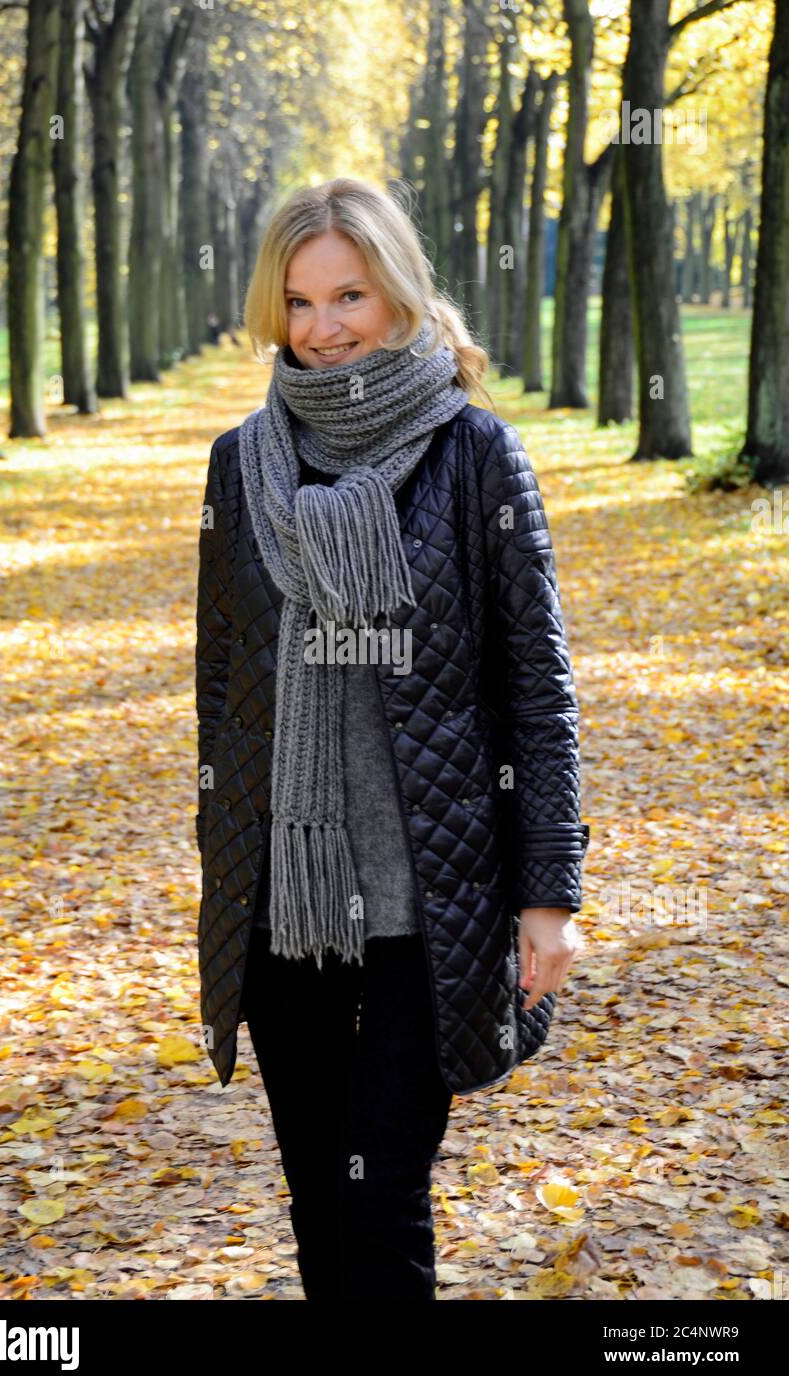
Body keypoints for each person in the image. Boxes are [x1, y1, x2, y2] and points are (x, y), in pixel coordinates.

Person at [195, 176, 590, 1301]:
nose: (323, 328)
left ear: (399, 291)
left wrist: (548, 891)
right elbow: (220, 682)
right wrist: (218, 855)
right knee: (320, 1197)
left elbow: (536, 689)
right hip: (286, 900)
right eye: (301, 302)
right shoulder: (243, 464)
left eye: (350, 295)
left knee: (379, 1196)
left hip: (433, 898)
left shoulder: (475, 456)